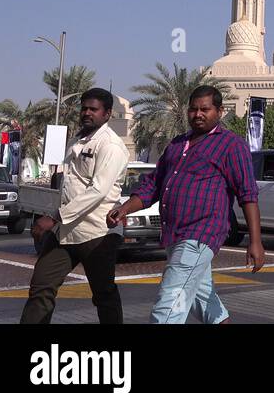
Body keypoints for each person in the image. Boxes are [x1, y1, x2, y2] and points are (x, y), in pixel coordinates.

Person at [107, 85, 264, 324]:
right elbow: (154, 186)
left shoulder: (231, 145)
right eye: (193, 109)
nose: (198, 114)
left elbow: (248, 195)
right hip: (175, 233)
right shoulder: (178, 144)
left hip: (200, 233)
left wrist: (255, 242)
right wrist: (124, 208)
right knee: (204, 302)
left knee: (168, 305)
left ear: (220, 111)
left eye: (205, 109)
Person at [21, 88, 128, 324]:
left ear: (107, 114)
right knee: (41, 286)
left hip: (96, 232)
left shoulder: (111, 146)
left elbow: (97, 190)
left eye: (93, 109)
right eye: (84, 108)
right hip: (65, 232)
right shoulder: (76, 140)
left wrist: (55, 217)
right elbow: (67, 184)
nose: (87, 113)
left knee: (103, 294)